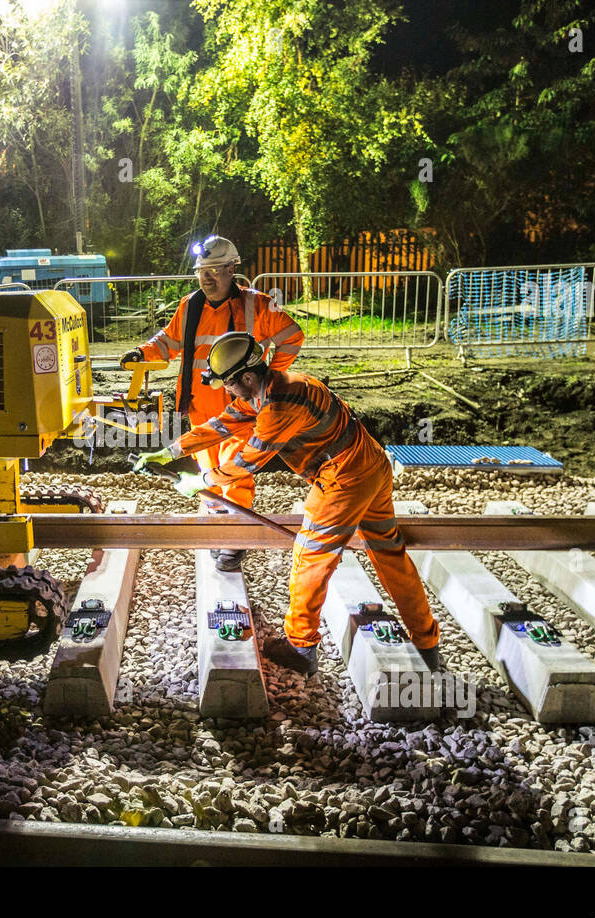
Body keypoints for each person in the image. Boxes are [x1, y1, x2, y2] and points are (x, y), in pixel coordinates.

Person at [134, 332, 441, 678]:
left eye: (229, 385)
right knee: (389, 553)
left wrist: (201, 481)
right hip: (371, 464)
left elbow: (247, 462)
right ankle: (427, 645)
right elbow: (222, 425)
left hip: (344, 479)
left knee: (310, 556)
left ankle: (300, 647)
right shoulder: (273, 388)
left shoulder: (279, 407)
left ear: (247, 378)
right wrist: (171, 451)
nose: (226, 392)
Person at [120, 235, 304, 571]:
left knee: (234, 473)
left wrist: (268, 381)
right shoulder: (189, 306)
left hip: (242, 409)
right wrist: (142, 353)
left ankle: (234, 540)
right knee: (208, 471)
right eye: (202, 271)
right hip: (200, 406)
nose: (207, 278)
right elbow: (168, 341)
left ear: (232, 268)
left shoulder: (258, 304)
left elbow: (292, 336)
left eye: (215, 270)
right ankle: (219, 528)